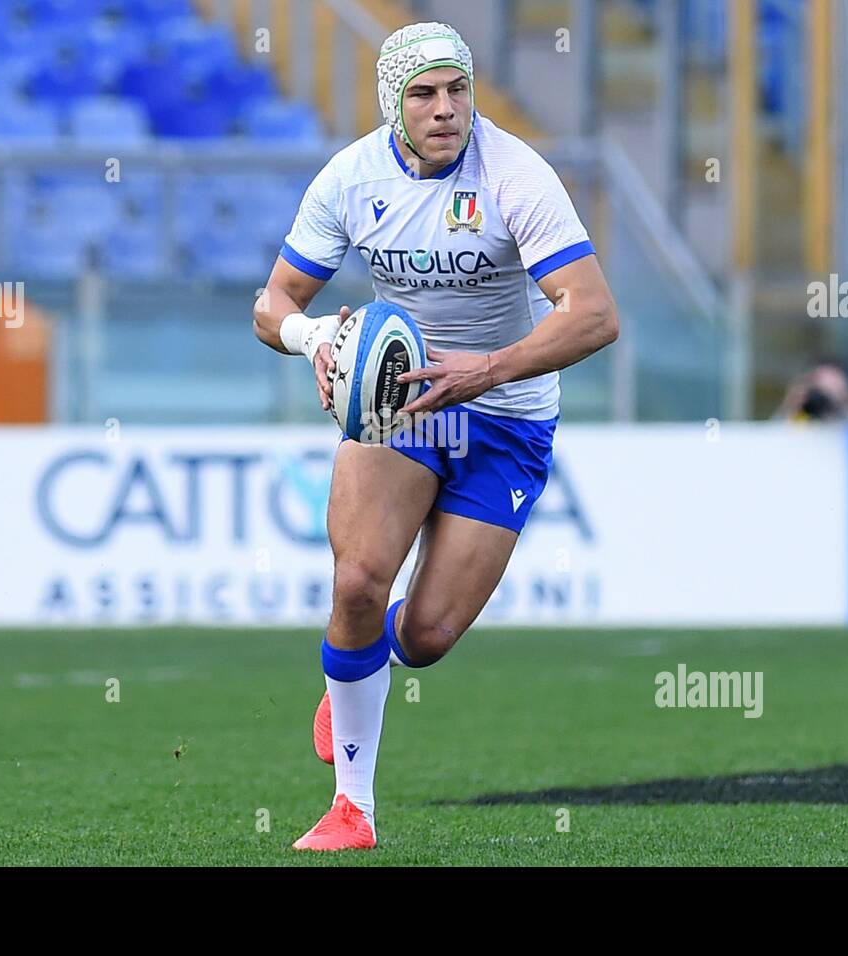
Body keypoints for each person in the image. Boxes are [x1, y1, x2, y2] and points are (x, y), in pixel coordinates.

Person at [251, 21, 618, 851]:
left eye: (458, 90)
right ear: (393, 103)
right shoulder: (351, 177)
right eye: (424, 94)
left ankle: (366, 664)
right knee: (357, 585)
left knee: (426, 636)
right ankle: (354, 809)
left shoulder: (517, 175)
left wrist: (485, 370)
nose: (446, 109)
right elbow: (271, 304)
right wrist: (317, 341)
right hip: (402, 401)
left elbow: (594, 314)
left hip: (506, 414)